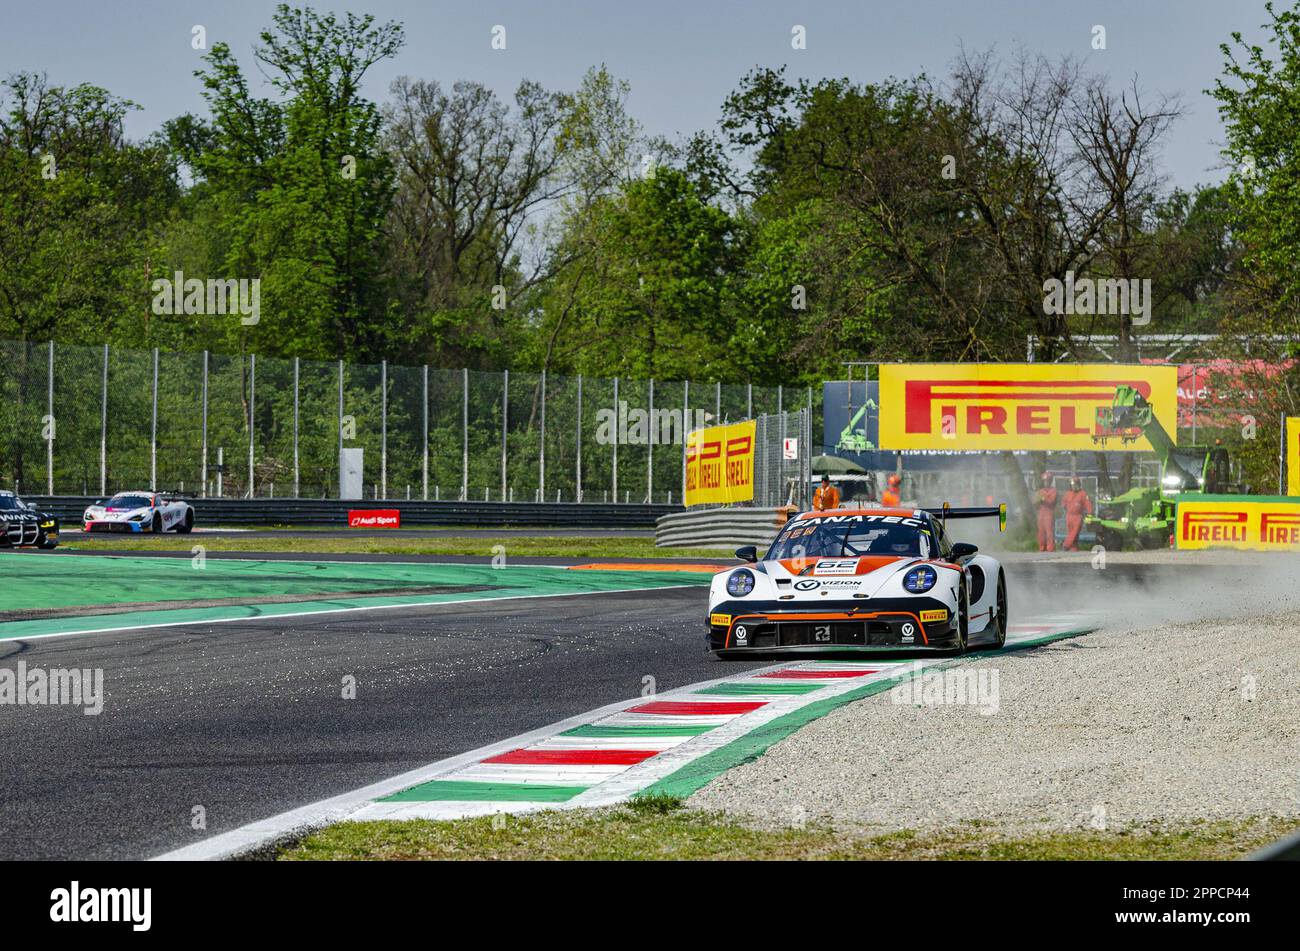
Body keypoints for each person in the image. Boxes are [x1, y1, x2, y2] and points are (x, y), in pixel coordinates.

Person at [1062, 476, 1093, 551]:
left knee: (1075, 532)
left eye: (1076, 484)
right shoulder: (1068, 493)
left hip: (1078, 516)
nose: (1074, 486)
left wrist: (1089, 513)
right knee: (1071, 532)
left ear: (1079, 484)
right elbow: (1063, 503)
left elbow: (1088, 504)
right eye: (1073, 485)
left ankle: (1066, 545)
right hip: (1069, 516)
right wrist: (1065, 508)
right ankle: (1074, 548)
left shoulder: (1083, 494)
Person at [1035, 471, 1059, 552]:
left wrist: (1042, 499)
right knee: (1041, 532)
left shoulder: (1053, 491)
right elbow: (1035, 504)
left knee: (1049, 532)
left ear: (1050, 481)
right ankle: (1042, 547)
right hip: (1041, 513)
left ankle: (1050, 548)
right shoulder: (1040, 491)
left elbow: (1051, 501)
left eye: (1048, 481)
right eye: (1045, 481)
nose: (1046, 482)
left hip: (1049, 513)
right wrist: (1036, 501)